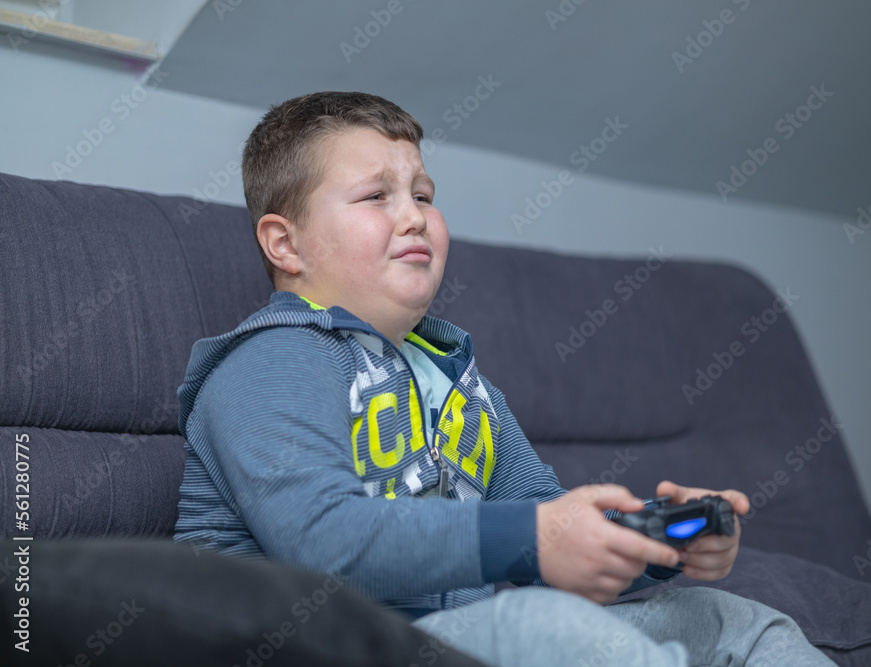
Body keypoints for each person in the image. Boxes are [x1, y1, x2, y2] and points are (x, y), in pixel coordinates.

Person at [174, 91, 834, 666]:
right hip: (311, 648)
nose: (414, 216)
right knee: (546, 630)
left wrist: (658, 545)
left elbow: (547, 520)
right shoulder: (264, 364)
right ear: (284, 244)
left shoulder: (464, 385)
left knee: (727, 618)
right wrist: (534, 537)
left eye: (423, 195)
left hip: (454, 643)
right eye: (377, 196)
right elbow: (323, 538)